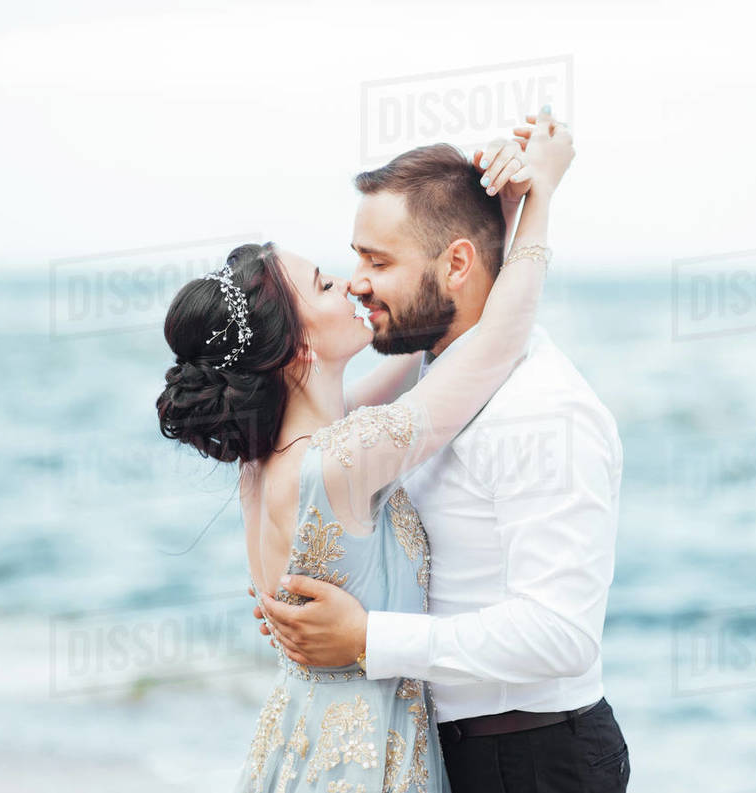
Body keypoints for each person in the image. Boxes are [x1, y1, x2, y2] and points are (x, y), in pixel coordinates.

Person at [156, 107, 573, 792]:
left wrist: (485, 218)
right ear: (299, 346)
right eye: (325, 284)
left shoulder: (272, 455)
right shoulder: (343, 459)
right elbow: (492, 346)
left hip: (301, 743)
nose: (351, 283)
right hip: (363, 761)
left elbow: (431, 345)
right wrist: (543, 198)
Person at [255, 113, 629, 792]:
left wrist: (368, 638)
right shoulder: (428, 384)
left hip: (528, 762)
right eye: (355, 259)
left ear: (456, 264)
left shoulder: (543, 410)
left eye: (378, 262)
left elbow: (561, 633)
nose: (356, 282)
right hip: (433, 753)